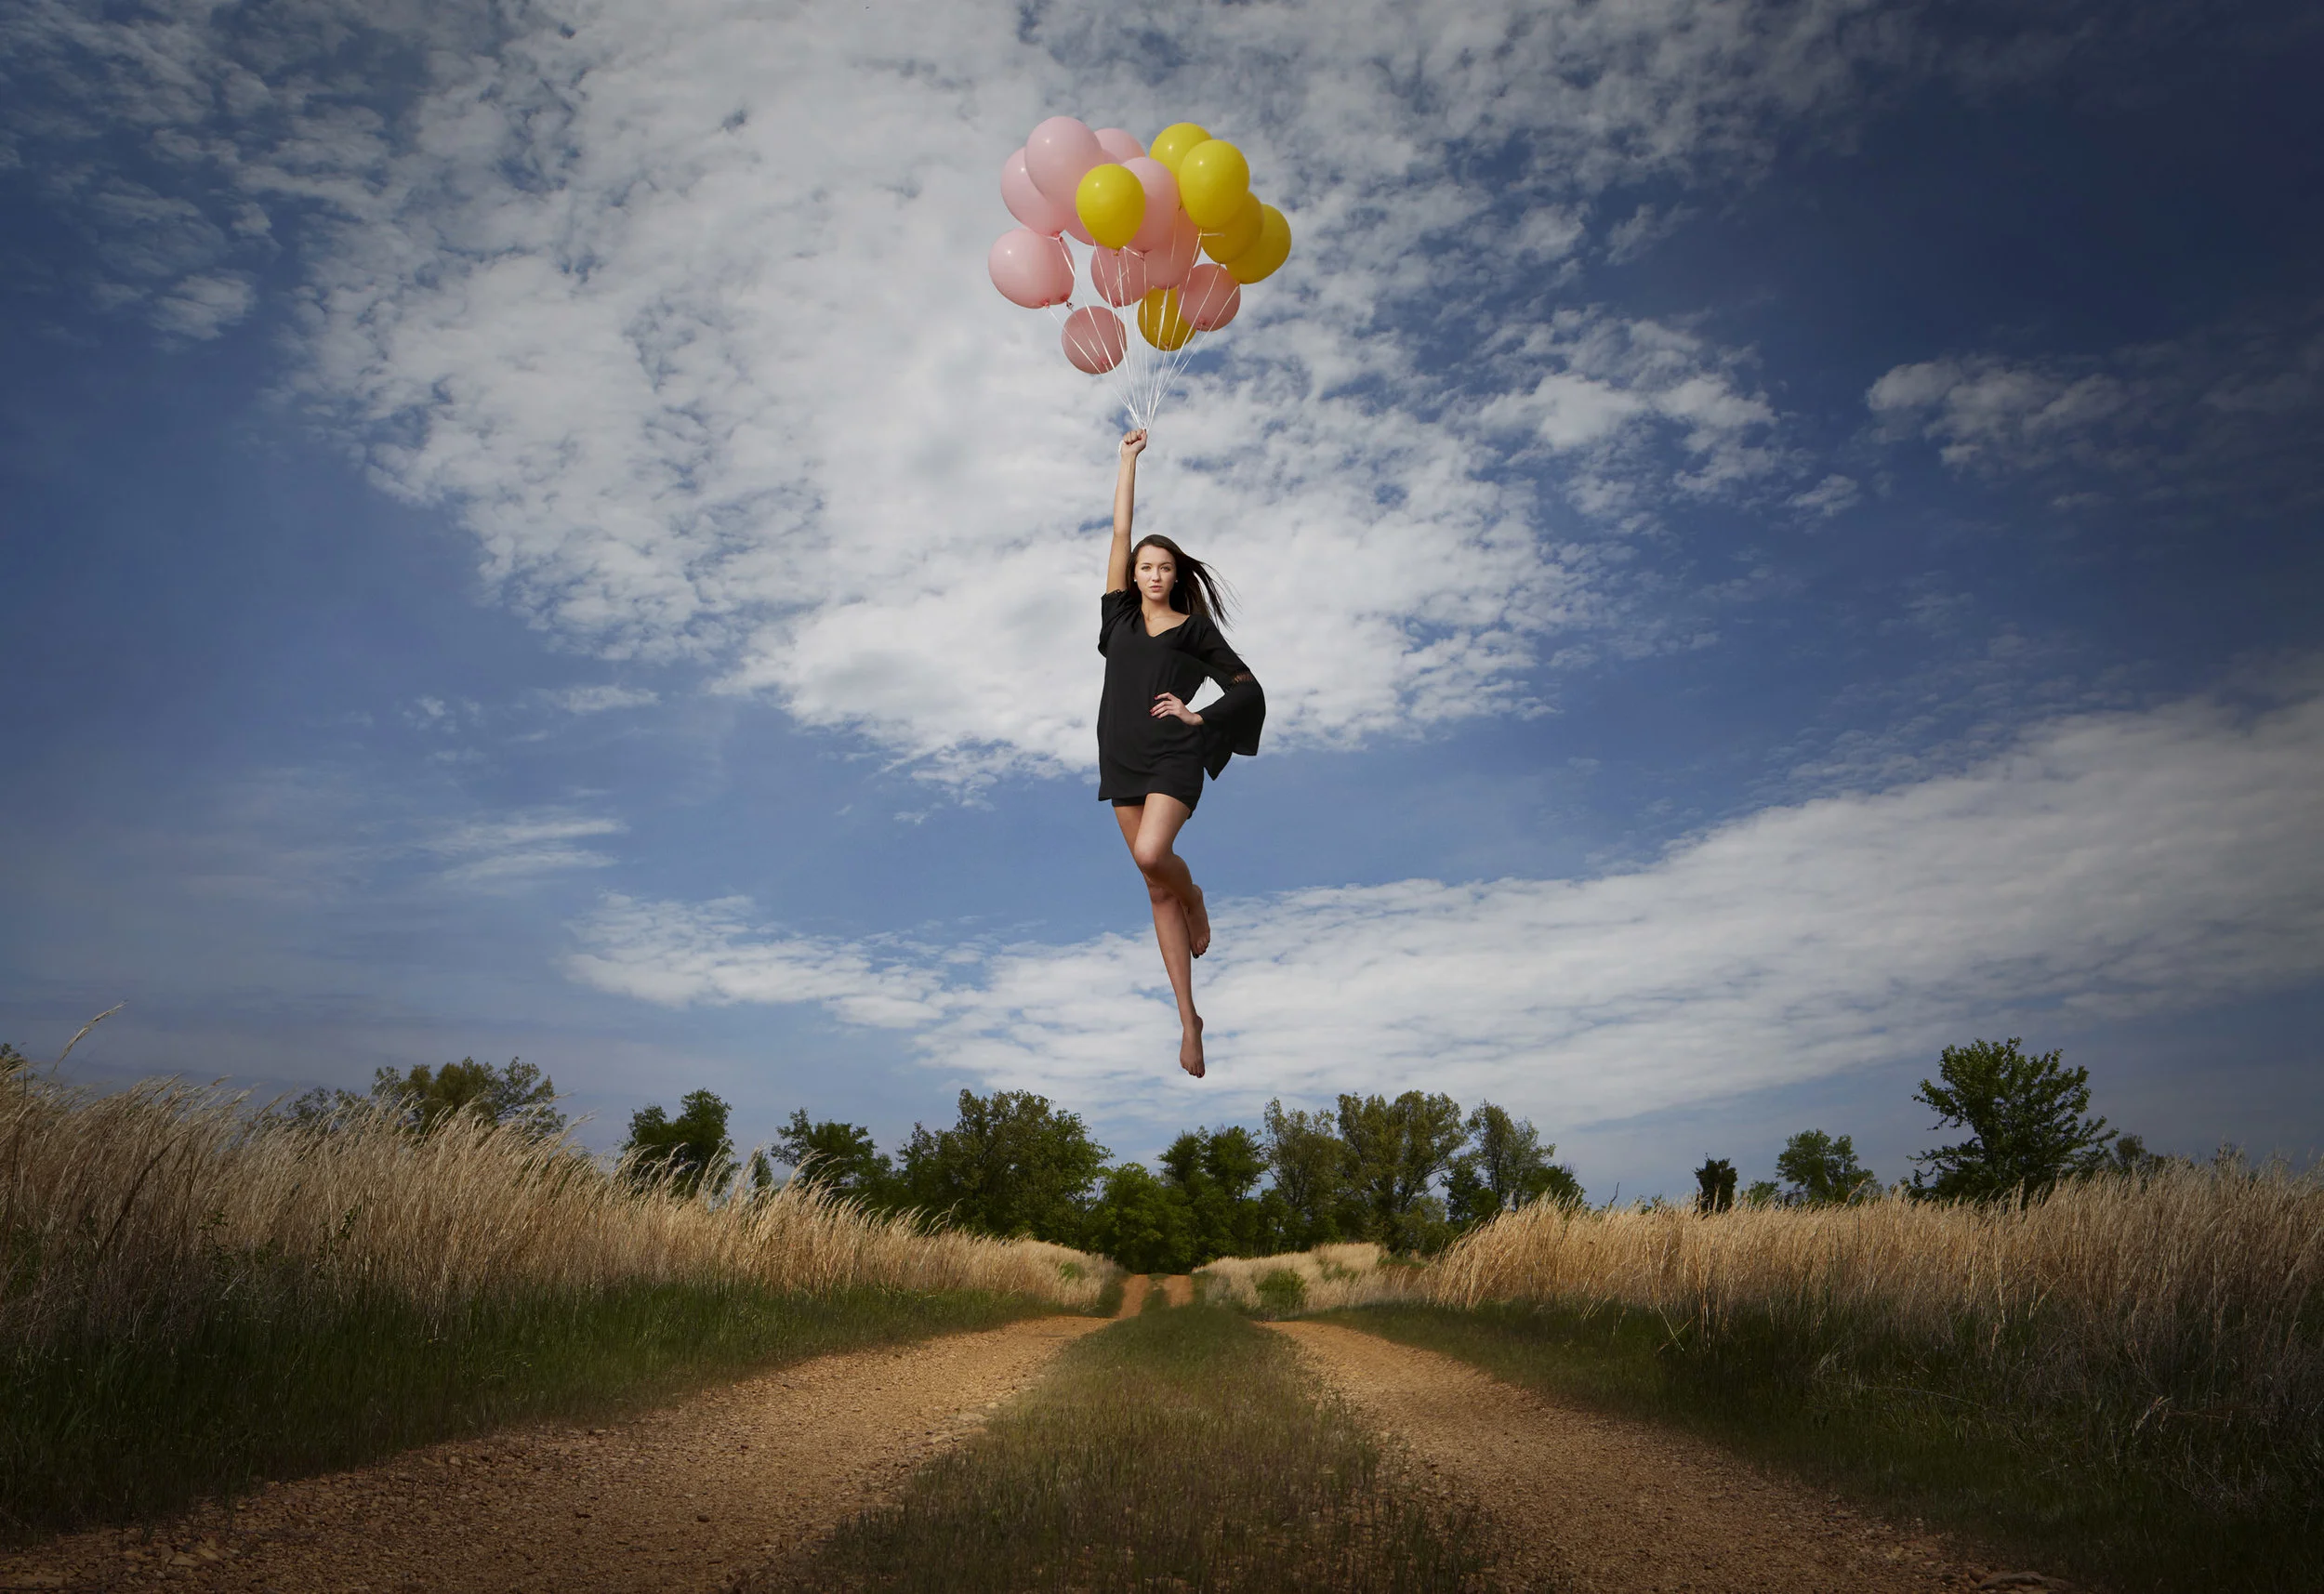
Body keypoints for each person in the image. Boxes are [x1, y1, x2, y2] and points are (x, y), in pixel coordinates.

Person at [1097, 429, 1265, 1079]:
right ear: (1135, 576)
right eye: (1146, 567)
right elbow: (1119, 531)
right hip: (1120, 755)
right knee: (1151, 889)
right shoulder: (1117, 620)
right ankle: (1188, 1020)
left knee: (1152, 858)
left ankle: (1194, 895)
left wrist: (1200, 714)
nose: (1155, 575)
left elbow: (1245, 685)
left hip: (1172, 755)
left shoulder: (1194, 630)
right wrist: (1126, 461)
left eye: (1165, 567)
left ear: (1176, 576)